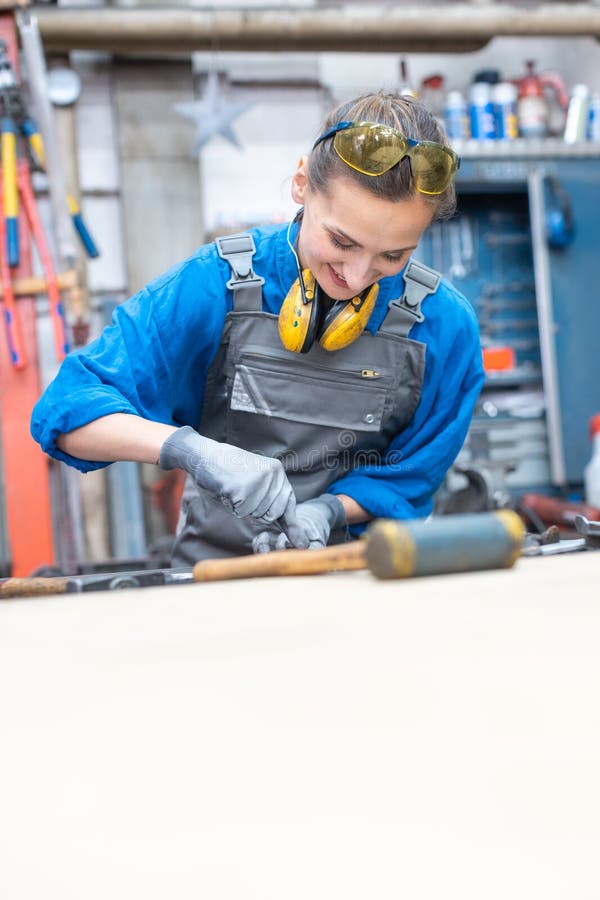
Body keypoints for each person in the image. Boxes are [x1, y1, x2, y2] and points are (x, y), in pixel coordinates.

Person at [31, 90, 484, 565]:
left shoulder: (444, 326)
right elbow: (67, 411)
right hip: (216, 579)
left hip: (358, 578)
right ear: (302, 182)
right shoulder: (216, 285)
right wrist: (191, 451)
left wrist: (329, 511)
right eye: (340, 240)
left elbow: (411, 476)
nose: (354, 277)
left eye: (393, 256)